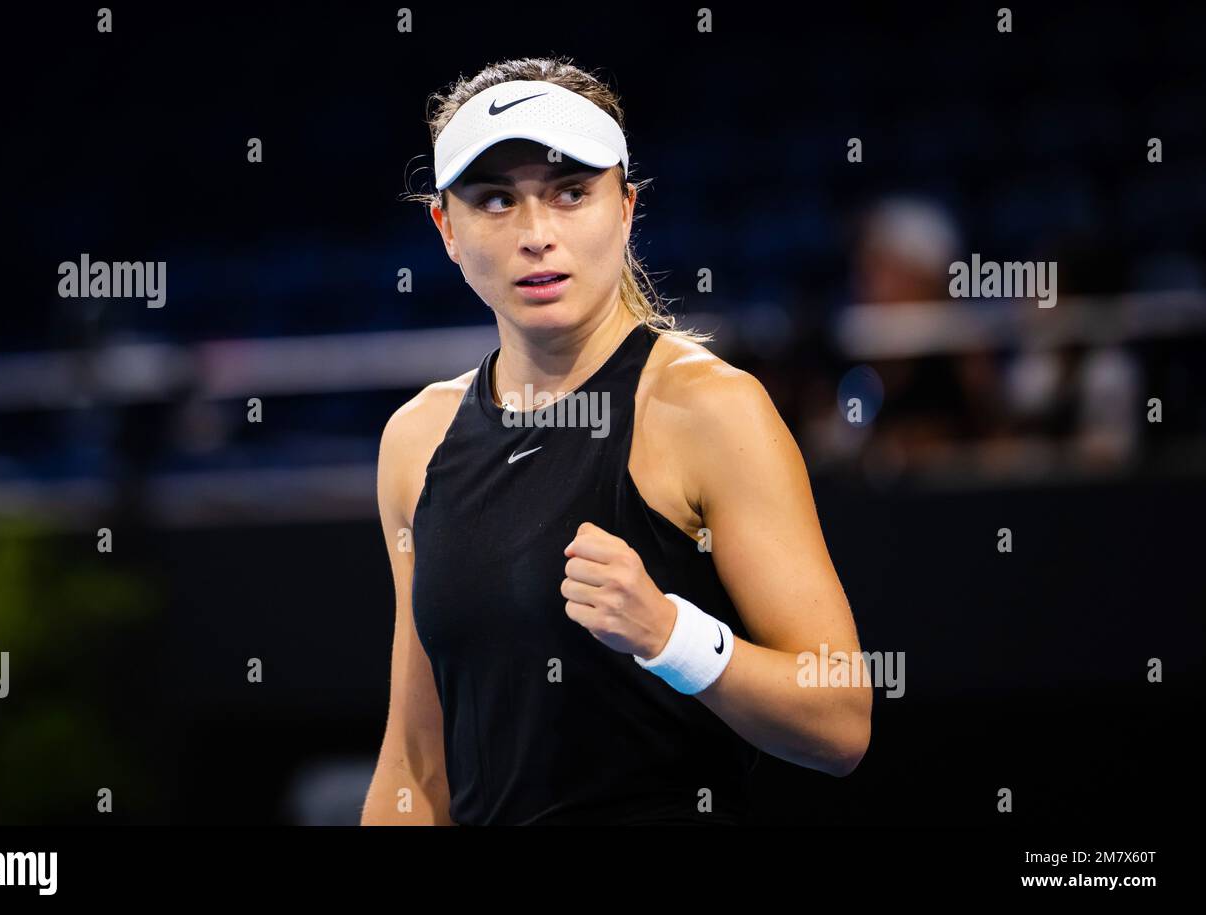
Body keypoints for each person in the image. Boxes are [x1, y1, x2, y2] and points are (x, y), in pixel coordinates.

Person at [361, 57, 870, 826]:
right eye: (496, 200)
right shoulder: (414, 441)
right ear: (447, 230)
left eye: (571, 193)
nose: (537, 235)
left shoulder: (713, 410)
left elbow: (841, 722)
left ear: (625, 207)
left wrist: (673, 636)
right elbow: (415, 757)